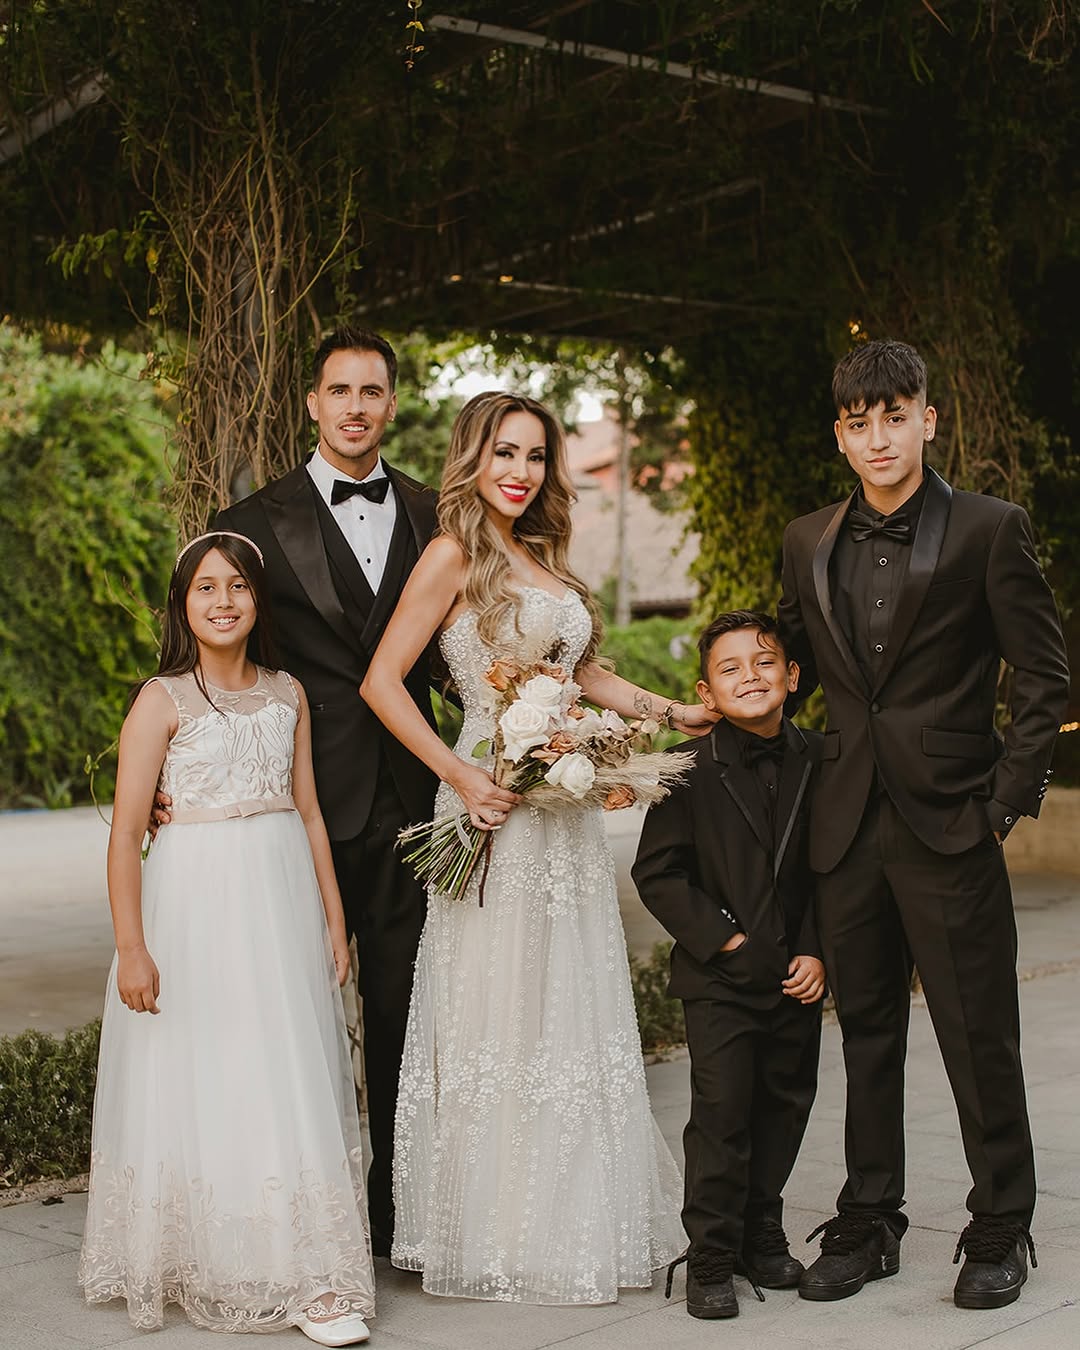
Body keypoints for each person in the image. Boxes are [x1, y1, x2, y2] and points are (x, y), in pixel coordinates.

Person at [360, 390, 706, 1303]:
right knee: (496, 1006)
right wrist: (464, 774)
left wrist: (676, 714)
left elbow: (583, 673)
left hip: (563, 811)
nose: (520, 471)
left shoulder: (543, 557)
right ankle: (493, 1231)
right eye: (504, 453)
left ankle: (572, 1220)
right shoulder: (449, 557)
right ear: (472, 459)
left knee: (566, 1003)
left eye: (536, 457)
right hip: (488, 805)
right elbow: (381, 684)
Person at [777, 339, 1069, 1309]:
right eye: (859, 424)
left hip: (952, 824)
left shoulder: (991, 529)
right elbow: (793, 677)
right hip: (845, 826)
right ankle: (871, 1219)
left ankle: (1000, 1226)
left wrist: (1003, 802)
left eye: (894, 416)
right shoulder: (806, 539)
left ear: (928, 419)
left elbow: (1045, 675)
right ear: (840, 436)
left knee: (977, 1034)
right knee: (865, 1034)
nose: (878, 438)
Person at [157, 329, 439, 1257]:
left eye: (372, 391)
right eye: (338, 391)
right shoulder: (252, 517)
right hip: (290, 811)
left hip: (409, 803)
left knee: (404, 1016)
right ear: (312, 406)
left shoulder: (437, 514)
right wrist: (173, 775)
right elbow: (210, 640)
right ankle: (299, 1213)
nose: (356, 406)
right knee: (294, 1018)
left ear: (392, 405)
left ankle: (397, 1219)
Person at [80, 531, 373, 1346]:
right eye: (205, 587)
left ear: (257, 601)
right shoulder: (160, 700)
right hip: (196, 901)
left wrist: (333, 919)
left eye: (237, 586)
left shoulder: (288, 694)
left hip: (278, 897)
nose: (222, 600)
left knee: (283, 1065)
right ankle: (205, 1251)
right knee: (208, 1065)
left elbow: (310, 810)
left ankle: (309, 1271)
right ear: (183, 604)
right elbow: (125, 832)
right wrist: (132, 947)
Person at [632, 610, 825, 1319]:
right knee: (721, 1115)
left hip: (798, 976)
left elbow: (835, 871)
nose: (751, 676)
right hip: (720, 979)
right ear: (706, 691)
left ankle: (760, 1233)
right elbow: (659, 873)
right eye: (731, 668)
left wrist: (816, 949)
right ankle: (710, 1254)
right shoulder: (689, 770)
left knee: (784, 1105)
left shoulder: (821, 758)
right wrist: (728, 943)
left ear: (793, 675)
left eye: (766, 661)